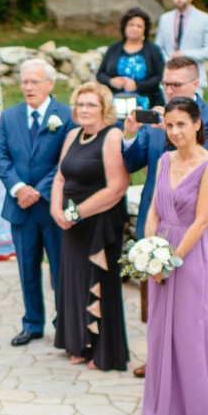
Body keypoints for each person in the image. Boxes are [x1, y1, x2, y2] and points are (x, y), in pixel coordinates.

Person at [125, 56, 208, 377]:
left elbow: (202, 169)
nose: (168, 90)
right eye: (165, 84)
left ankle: (186, 365)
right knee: (155, 301)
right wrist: (130, 134)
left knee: (189, 310)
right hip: (156, 218)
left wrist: (174, 131)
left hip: (190, 224)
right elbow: (132, 163)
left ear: (195, 84)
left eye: (176, 84)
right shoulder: (157, 117)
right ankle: (159, 355)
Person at [142, 97, 208, 415]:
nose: (174, 131)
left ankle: (196, 413)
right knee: (160, 330)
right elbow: (153, 211)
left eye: (181, 124)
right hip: (159, 251)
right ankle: (164, 408)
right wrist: (150, 254)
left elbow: (202, 222)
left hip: (189, 256)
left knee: (189, 332)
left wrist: (171, 260)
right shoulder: (163, 160)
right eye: (169, 125)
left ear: (197, 124)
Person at [0, 59, 75, 346]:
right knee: (27, 268)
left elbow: (65, 159)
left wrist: (37, 191)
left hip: (51, 206)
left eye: (34, 82)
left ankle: (63, 322)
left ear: (49, 84)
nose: (28, 87)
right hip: (20, 207)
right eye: (25, 82)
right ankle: (32, 323)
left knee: (59, 269)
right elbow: (1, 156)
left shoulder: (66, 115)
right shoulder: (10, 116)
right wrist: (18, 188)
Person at [51, 82, 130, 370]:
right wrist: (56, 208)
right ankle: (79, 342)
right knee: (74, 281)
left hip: (99, 221)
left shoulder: (112, 136)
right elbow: (60, 178)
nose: (83, 110)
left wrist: (77, 213)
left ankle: (103, 350)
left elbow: (118, 187)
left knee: (99, 283)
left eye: (91, 105)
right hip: (71, 222)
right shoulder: (73, 134)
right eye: (80, 104)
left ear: (104, 109)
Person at [155, 0, 208, 91]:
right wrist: (167, 60)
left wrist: (185, 54)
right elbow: (158, 47)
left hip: (193, 78)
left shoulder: (204, 19)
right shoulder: (164, 19)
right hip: (169, 78)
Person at [97, 8, 165, 110]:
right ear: (125, 27)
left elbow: (160, 76)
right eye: (131, 25)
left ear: (144, 29)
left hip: (146, 104)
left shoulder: (153, 50)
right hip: (116, 103)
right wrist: (111, 81)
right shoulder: (114, 48)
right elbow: (100, 74)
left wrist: (138, 86)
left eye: (139, 26)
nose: (134, 28)